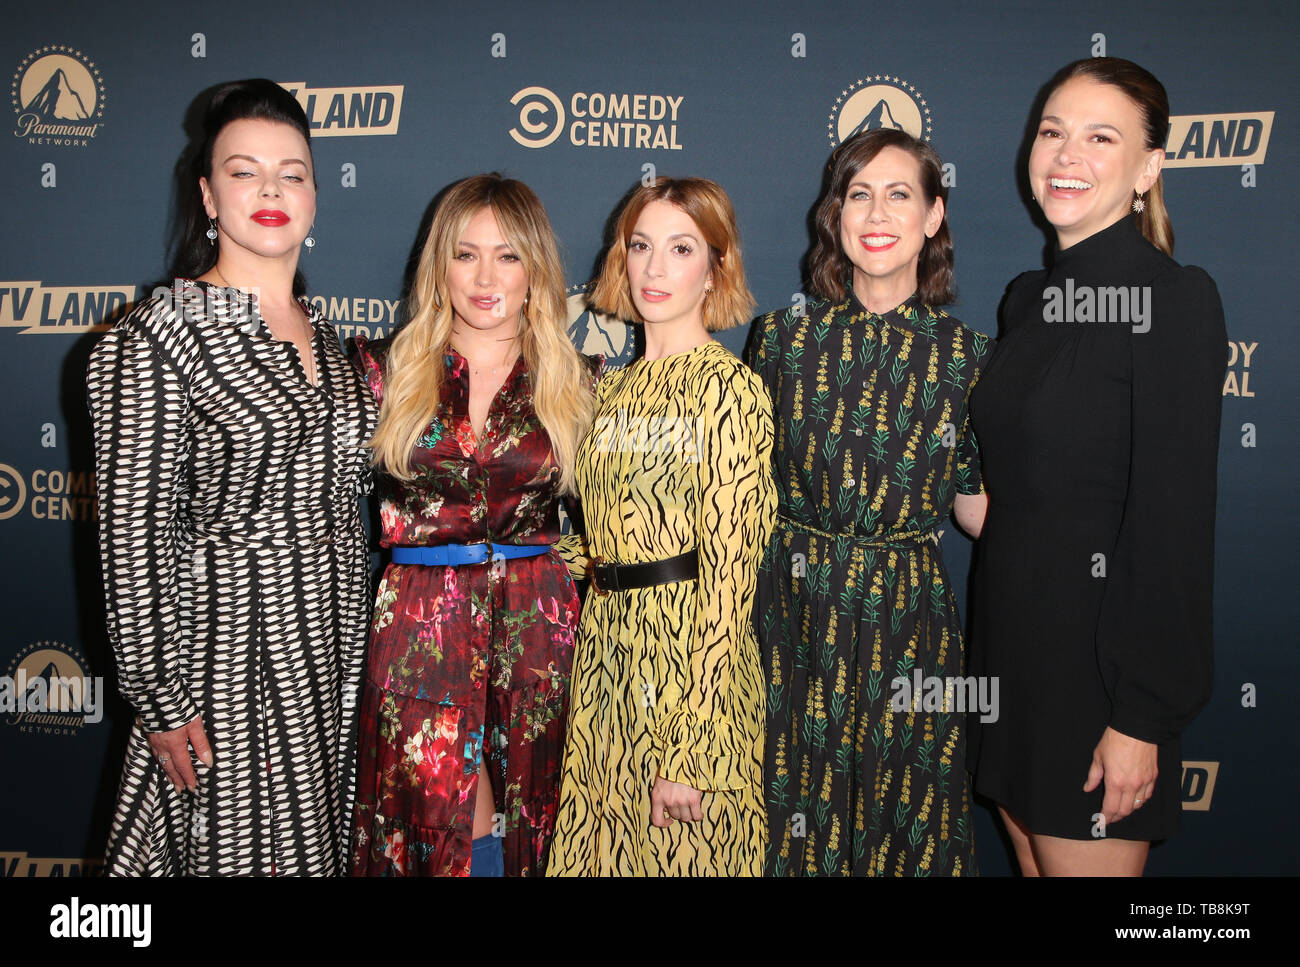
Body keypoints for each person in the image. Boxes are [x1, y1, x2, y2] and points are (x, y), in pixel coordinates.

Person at [87, 79, 378, 876]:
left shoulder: (336, 342)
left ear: (316, 196)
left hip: (333, 642)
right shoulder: (163, 334)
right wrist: (162, 699)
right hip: (228, 648)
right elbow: (132, 537)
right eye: (245, 171)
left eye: (292, 171)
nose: (273, 188)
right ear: (209, 195)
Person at [967, 57, 1226, 876]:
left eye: (1100, 137)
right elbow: (1014, 500)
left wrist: (1142, 717)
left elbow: (1172, 524)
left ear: (1149, 167)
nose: (1065, 154)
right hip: (1008, 663)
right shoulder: (1025, 300)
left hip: (1098, 687)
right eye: (1052, 132)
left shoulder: (1174, 300)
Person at [748, 129, 992, 876]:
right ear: (836, 216)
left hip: (909, 623)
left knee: (909, 828)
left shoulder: (969, 356)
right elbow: (745, 497)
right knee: (790, 829)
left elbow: (977, 508)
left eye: (899, 194)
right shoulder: (782, 339)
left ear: (932, 215)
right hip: (795, 618)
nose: (877, 212)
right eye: (859, 193)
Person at [349, 174, 598, 877]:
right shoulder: (380, 370)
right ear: (440, 265)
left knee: (537, 821)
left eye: (508, 255)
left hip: (541, 631)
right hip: (418, 630)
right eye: (466, 254)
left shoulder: (581, 382)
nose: (486, 276)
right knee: (428, 824)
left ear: (537, 270)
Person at [548, 177, 776, 876]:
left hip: (688, 667)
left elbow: (732, 579)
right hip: (606, 663)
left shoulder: (729, 389)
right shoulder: (606, 388)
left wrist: (691, 747)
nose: (654, 268)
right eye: (640, 245)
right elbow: (598, 542)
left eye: (680, 248)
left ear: (716, 266)